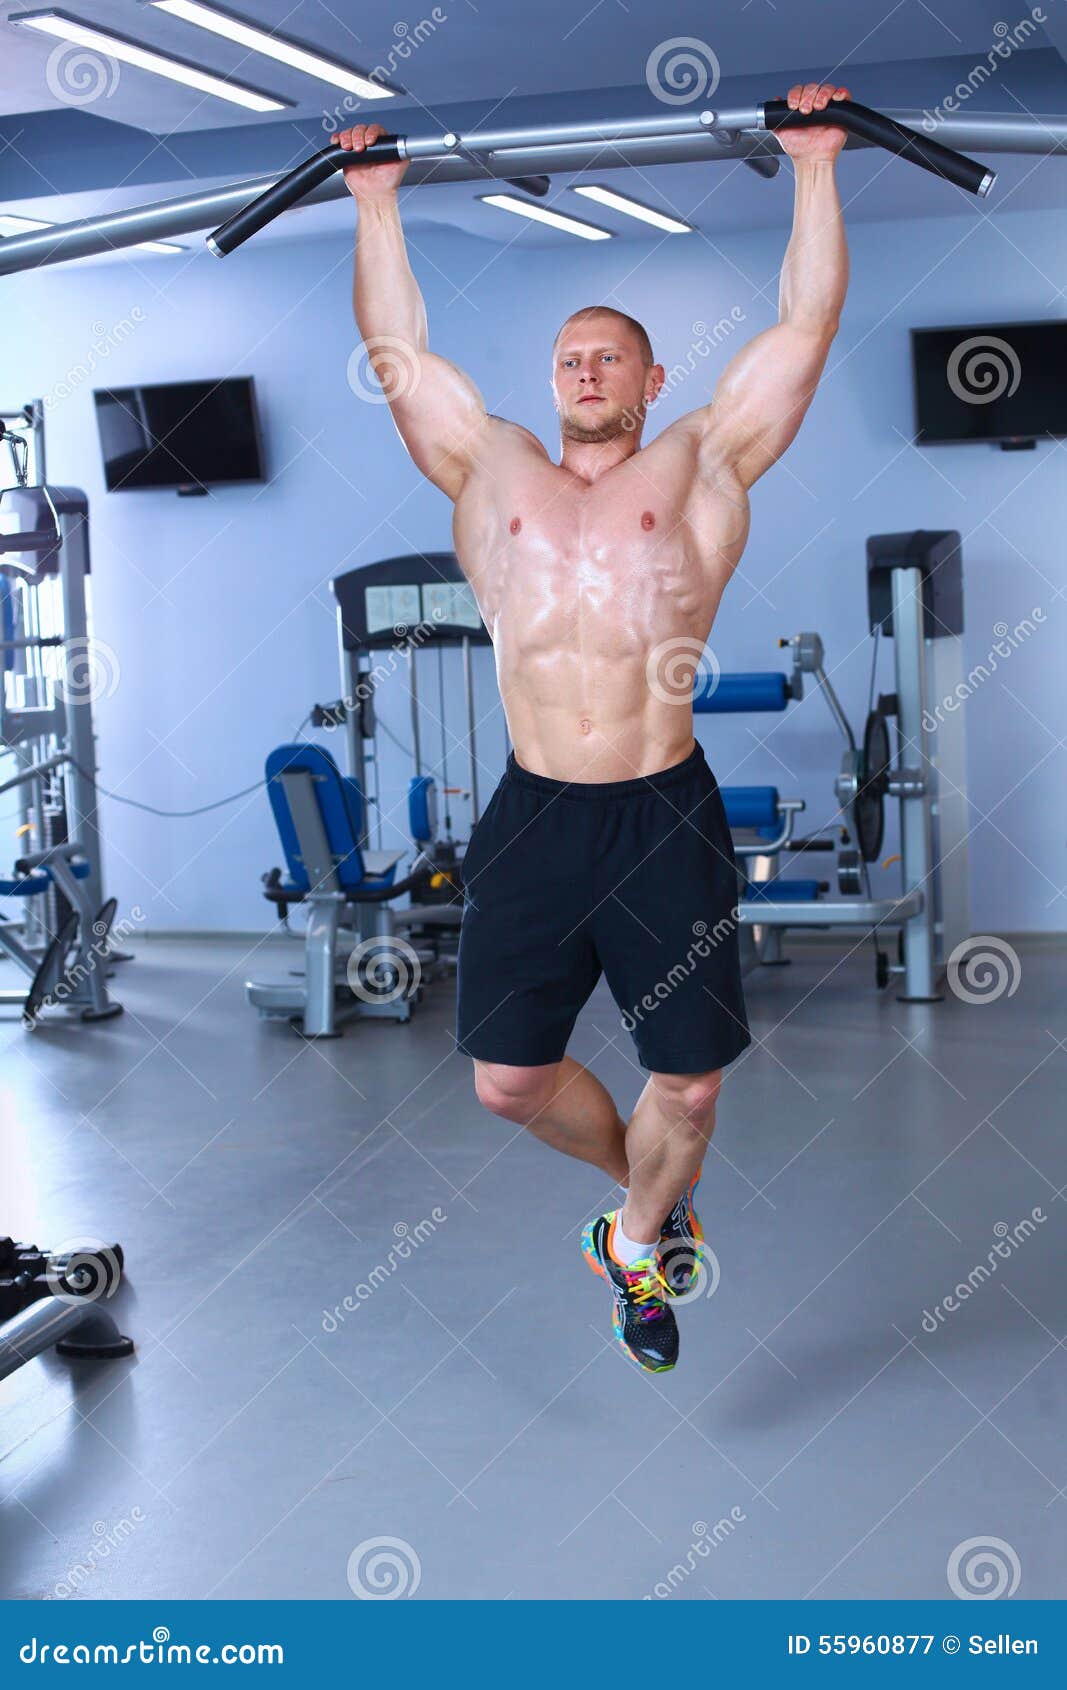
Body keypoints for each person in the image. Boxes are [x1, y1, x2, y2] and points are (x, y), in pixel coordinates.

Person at [336, 81, 850, 1373]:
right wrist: (375, 201)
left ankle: (634, 1235)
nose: (583, 368)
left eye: (608, 353)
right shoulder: (488, 464)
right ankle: (652, 1209)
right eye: (569, 353)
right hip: (534, 809)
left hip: (659, 807)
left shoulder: (701, 465)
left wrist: (818, 164)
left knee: (693, 1084)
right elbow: (400, 355)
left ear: (650, 375)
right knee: (506, 1080)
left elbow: (804, 321)